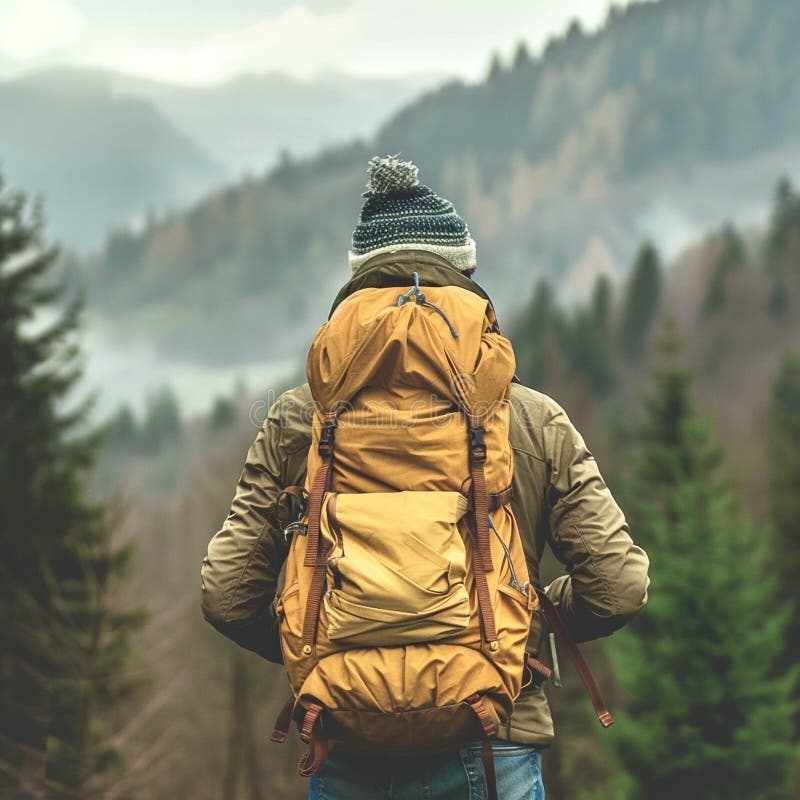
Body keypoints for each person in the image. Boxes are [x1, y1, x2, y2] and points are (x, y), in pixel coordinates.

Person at [201, 155, 650, 800]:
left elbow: (226, 594)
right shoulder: (530, 419)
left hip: (347, 745)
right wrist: (516, 627)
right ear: (466, 279)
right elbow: (619, 585)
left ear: (355, 290)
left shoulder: (298, 421)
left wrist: (329, 646)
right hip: (494, 740)